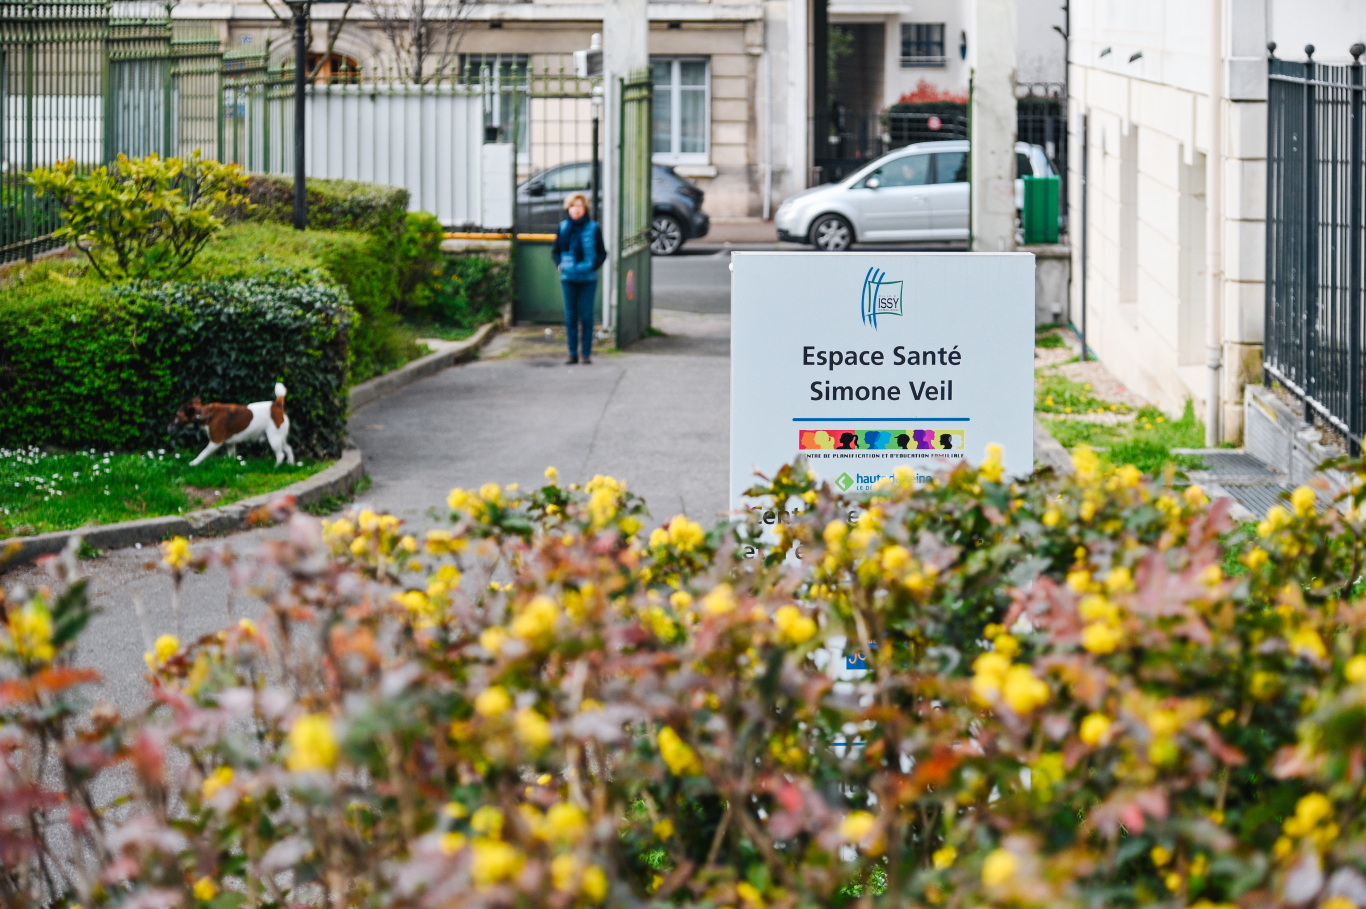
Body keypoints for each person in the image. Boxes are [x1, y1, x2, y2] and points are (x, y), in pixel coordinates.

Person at [551, 193, 607, 365]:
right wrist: (561, 265)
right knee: (571, 317)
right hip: (568, 277)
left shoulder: (593, 227)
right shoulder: (563, 227)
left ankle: (586, 354)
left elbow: (602, 253)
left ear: (585, 208)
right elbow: (555, 251)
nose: (576, 209)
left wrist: (592, 266)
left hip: (588, 278)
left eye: (580, 206)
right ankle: (573, 353)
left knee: (587, 317)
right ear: (569, 208)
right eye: (573, 206)